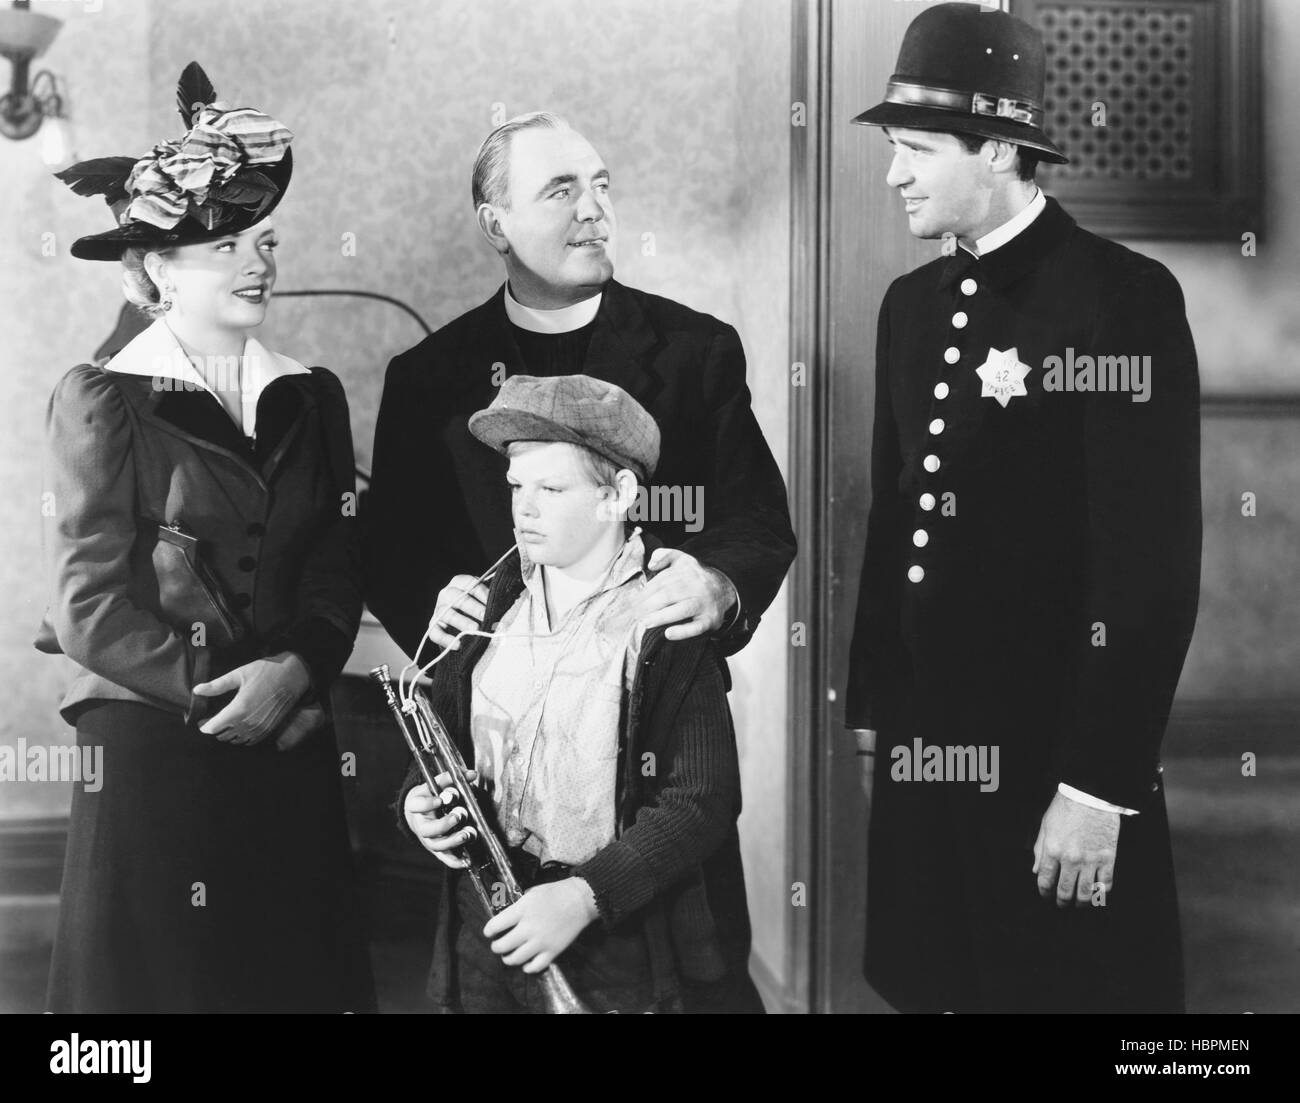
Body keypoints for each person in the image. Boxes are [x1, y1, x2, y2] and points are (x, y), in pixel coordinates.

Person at [844, 4, 1201, 1012]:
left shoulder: (1119, 298)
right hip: (926, 743)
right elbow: (893, 522)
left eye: (914, 148)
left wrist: (1098, 786)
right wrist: (874, 716)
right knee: (934, 982)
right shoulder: (907, 310)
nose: (894, 173)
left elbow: (1150, 570)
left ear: (998, 148)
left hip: (1054, 754)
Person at [39, 63, 373, 1013]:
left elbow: (336, 558)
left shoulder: (312, 394)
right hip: (153, 735)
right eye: (224, 243)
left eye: (262, 239)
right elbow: (87, 605)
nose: (256, 262)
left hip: (294, 722)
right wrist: (226, 695)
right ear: (155, 270)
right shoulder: (102, 396)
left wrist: (300, 671)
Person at [363, 111, 794, 672]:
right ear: (496, 227)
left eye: (601, 185)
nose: (594, 209)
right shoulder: (426, 377)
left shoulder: (697, 350)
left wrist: (718, 585)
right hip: (486, 710)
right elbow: (390, 550)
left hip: (655, 709)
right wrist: (435, 610)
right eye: (560, 191)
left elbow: (754, 520)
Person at [397, 373, 762, 1014]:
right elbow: (437, 748)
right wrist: (416, 807)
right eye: (516, 486)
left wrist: (583, 897)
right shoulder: (481, 610)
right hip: (486, 932)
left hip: (617, 946)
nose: (524, 508)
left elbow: (700, 802)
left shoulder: (666, 622)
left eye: (552, 487)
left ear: (618, 493)